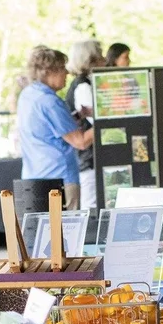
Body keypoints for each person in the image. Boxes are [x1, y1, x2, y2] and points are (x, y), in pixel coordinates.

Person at [16, 45, 93, 212]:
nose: (67, 73)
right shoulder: (50, 102)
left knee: (40, 235)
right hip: (59, 181)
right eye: (62, 68)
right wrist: (106, 120)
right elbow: (80, 142)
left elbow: (47, 129)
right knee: (65, 235)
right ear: (49, 71)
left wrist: (78, 116)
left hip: (33, 179)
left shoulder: (28, 95)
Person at [65, 39, 103, 210]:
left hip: (89, 158)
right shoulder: (83, 87)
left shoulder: (84, 84)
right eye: (100, 56)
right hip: (89, 158)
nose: (104, 60)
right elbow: (96, 119)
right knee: (91, 206)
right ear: (91, 60)